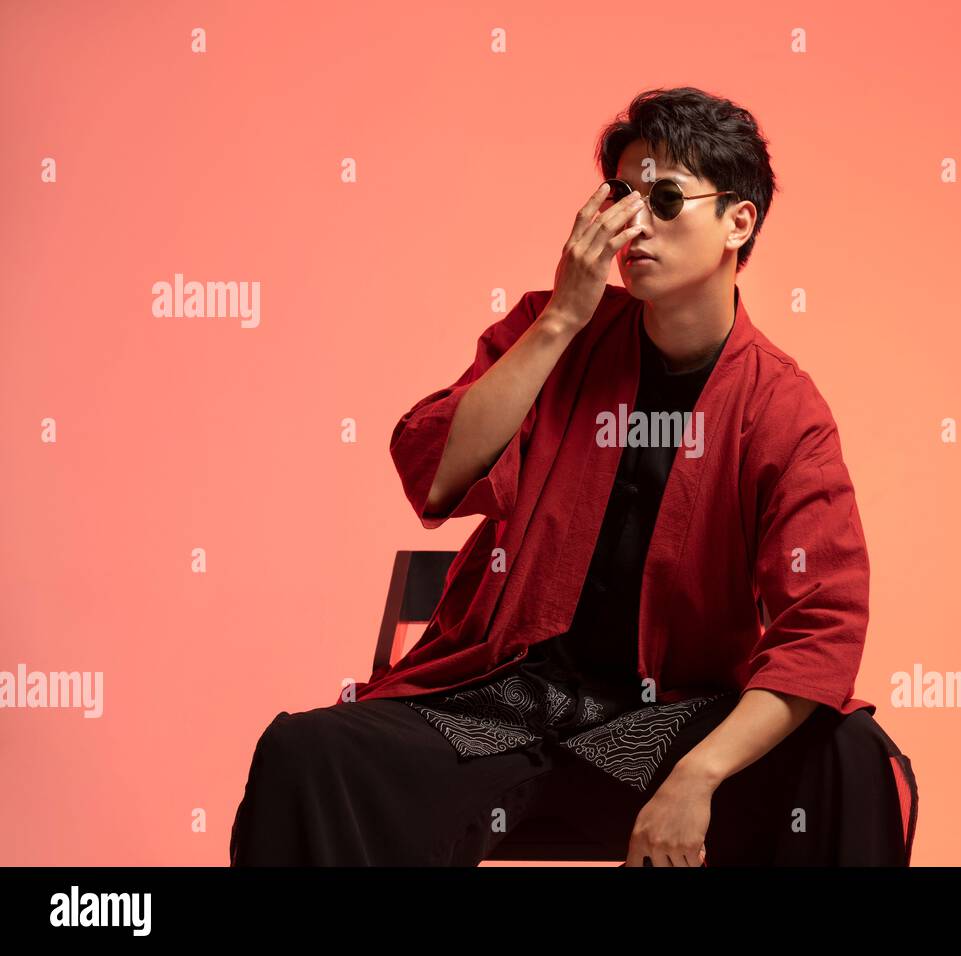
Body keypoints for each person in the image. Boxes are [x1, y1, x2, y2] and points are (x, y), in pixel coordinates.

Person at [230, 86, 918, 867]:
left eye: (665, 200)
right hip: (503, 710)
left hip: (665, 726)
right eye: (622, 198)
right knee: (309, 752)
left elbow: (823, 627)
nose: (635, 226)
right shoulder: (552, 327)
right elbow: (435, 474)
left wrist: (699, 775)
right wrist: (562, 316)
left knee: (851, 757)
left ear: (739, 221)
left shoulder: (783, 407)